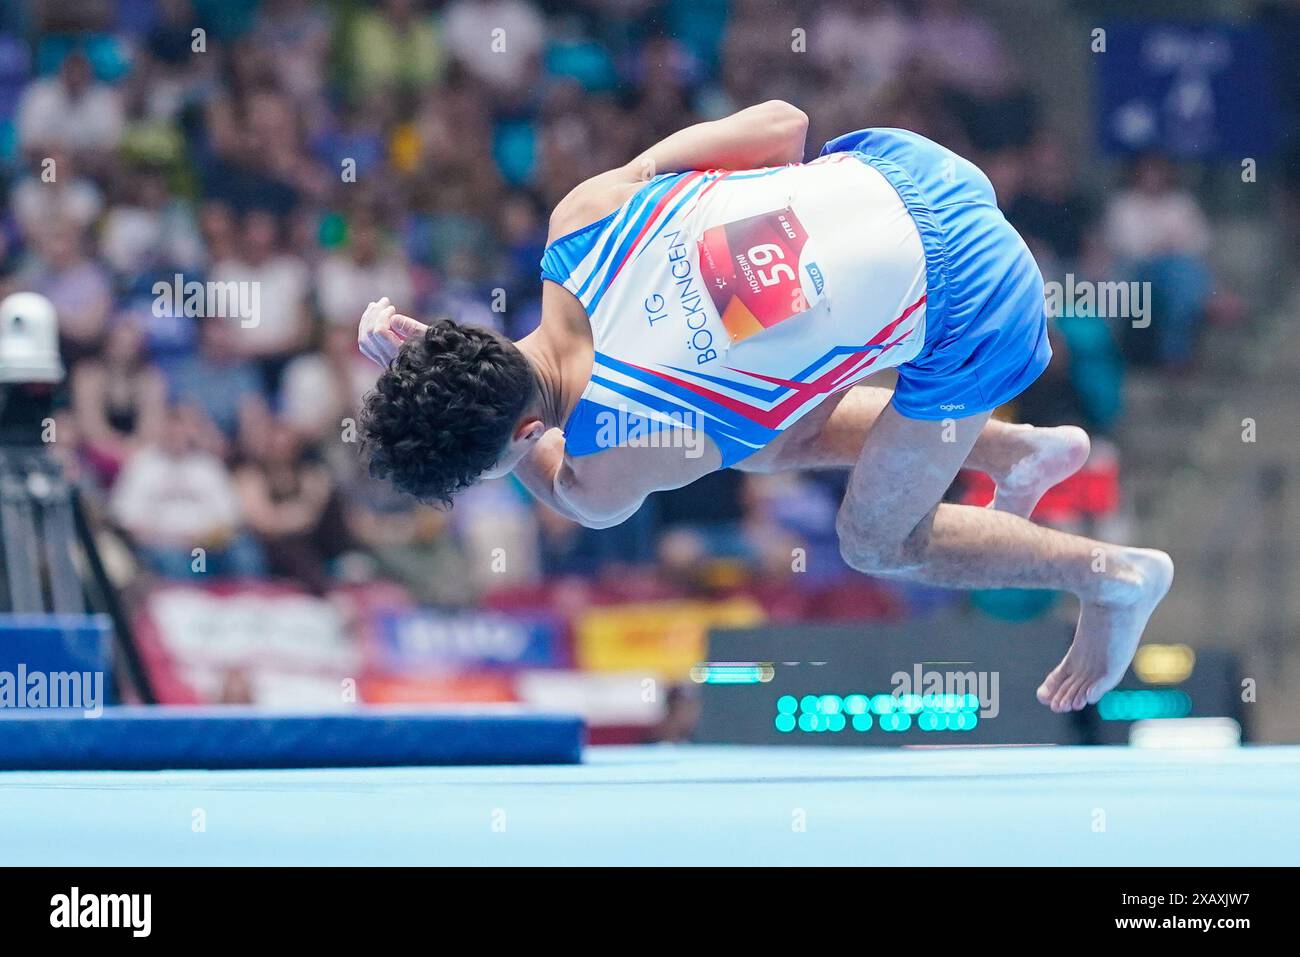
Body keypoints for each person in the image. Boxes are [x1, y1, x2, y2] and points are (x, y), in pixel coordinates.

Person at [357, 101, 1173, 714]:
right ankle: (1012, 450)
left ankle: (1109, 576)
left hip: (981, 298)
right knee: (755, 431)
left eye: (488, 470)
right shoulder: (582, 214)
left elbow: (560, 477)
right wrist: (431, 356)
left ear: (525, 434)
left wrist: (458, 399)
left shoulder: (611, 460)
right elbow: (786, 123)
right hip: (917, 168)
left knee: (874, 538)